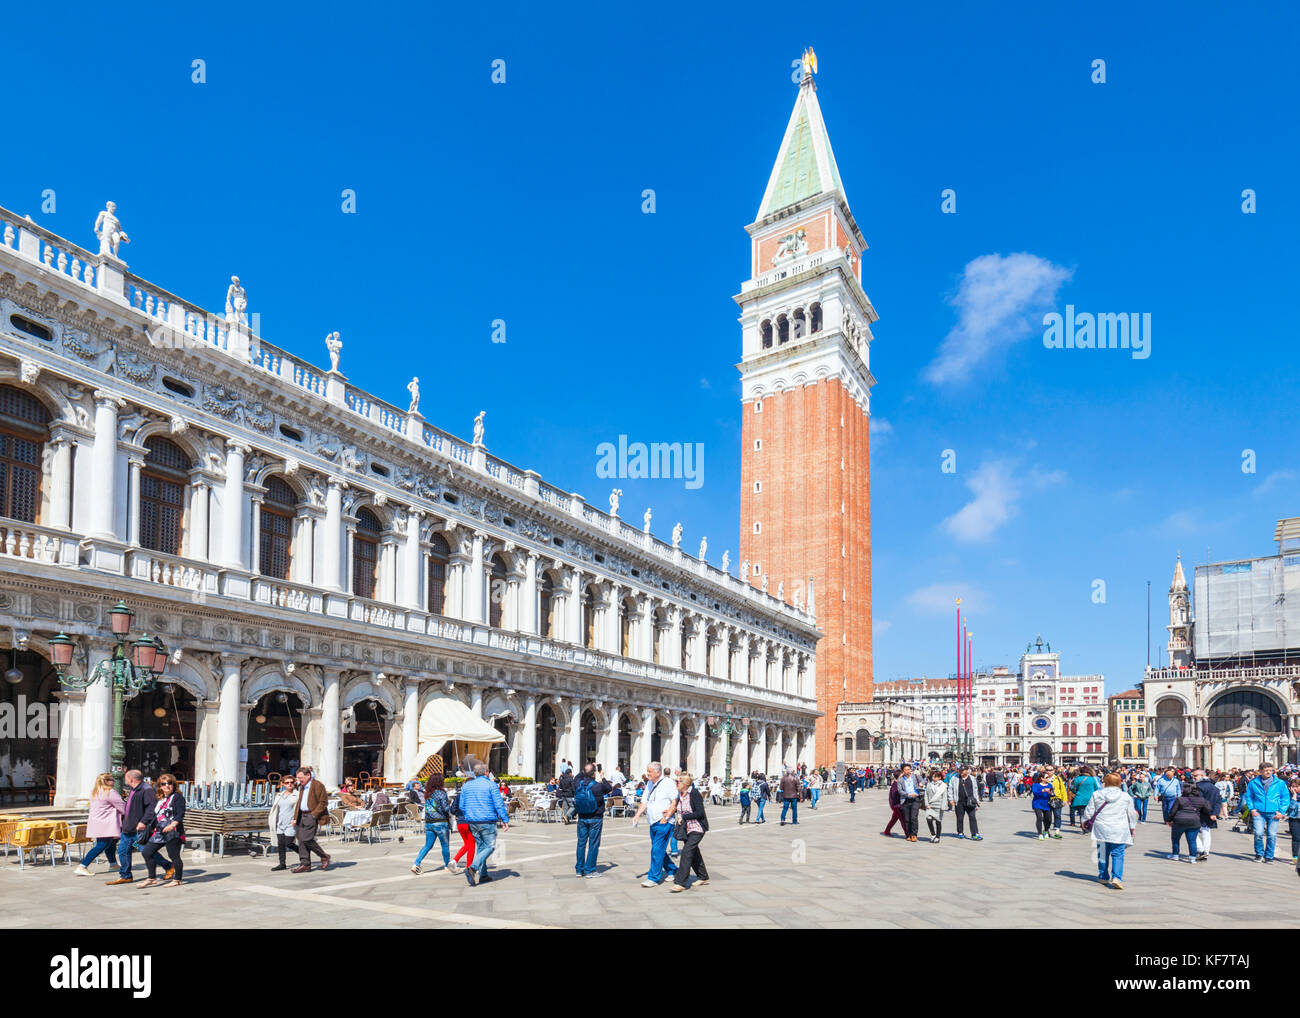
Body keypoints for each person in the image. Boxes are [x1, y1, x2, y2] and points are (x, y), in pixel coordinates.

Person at [458, 762, 510, 885]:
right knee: (490, 846)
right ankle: (473, 867)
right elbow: (498, 803)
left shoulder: (466, 786)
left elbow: (462, 805)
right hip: (487, 820)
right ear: (486, 772)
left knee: (481, 847)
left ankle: (484, 874)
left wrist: (469, 815)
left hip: (472, 821)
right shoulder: (491, 785)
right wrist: (504, 819)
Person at [1082, 772, 1137, 889]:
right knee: (1118, 853)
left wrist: (1084, 820)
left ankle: (1103, 876)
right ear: (1119, 782)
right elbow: (1131, 814)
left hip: (1101, 827)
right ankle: (1117, 877)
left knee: (1102, 852)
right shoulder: (1125, 796)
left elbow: (1089, 810)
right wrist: (1132, 827)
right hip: (1119, 827)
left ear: (1105, 782)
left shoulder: (1097, 794)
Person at [631, 761, 679, 887]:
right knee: (660, 850)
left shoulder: (668, 783)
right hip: (653, 822)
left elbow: (675, 801)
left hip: (664, 822)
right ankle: (672, 870)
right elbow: (645, 802)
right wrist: (637, 815)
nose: (647, 774)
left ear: (658, 772)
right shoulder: (649, 784)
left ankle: (653, 878)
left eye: (650, 772)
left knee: (656, 850)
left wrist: (667, 816)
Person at [106, 770, 155, 885]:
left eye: (126, 778)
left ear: (131, 780)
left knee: (146, 851)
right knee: (123, 851)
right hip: (129, 828)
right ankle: (125, 875)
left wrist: (143, 821)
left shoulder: (146, 790)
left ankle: (168, 866)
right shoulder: (134, 789)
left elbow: (151, 808)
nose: (125, 780)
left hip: (138, 829)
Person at [663, 771, 709, 892]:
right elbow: (679, 809)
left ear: (684, 784)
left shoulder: (694, 794)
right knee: (694, 853)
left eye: (678, 781)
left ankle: (680, 882)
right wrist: (668, 812)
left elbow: (700, 813)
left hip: (697, 827)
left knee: (687, 852)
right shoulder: (680, 795)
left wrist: (685, 817)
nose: (676, 783)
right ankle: (703, 876)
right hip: (687, 829)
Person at [137, 774, 186, 888]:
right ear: (160, 786)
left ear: (174, 785)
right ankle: (151, 878)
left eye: (170, 783)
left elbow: (180, 813)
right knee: (147, 852)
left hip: (173, 831)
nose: (167, 786)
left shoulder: (177, 797)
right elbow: (157, 815)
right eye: (164, 784)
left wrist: (172, 825)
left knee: (173, 856)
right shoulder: (160, 798)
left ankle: (178, 879)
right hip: (159, 831)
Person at [1241, 762, 1292, 863]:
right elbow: (1249, 797)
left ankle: (1269, 856)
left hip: (1274, 812)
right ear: (1260, 771)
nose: (1268, 772)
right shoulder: (1253, 783)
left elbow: (1285, 798)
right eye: (1266, 771)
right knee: (1258, 833)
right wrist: (1252, 809)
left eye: (1270, 770)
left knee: (1271, 834)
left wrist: (1281, 811)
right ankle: (1259, 854)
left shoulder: (1280, 783)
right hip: (1259, 811)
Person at [75, 773, 123, 876]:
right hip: (106, 823)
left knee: (111, 843)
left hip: (98, 822)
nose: (113, 781)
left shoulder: (95, 792)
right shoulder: (110, 792)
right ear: (106, 781)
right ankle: (83, 866)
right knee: (102, 845)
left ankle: (113, 864)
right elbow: (122, 806)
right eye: (111, 779)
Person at [571, 762, 612, 879]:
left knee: (581, 843)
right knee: (593, 844)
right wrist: (602, 775)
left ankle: (579, 869)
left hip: (582, 817)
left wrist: (586, 769)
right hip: (595, 817)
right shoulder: (597, 786)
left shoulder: (578, 784)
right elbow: (609, 788)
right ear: (594, 773)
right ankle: (589, 870)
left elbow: (577, 777)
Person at [291, 766, 331, 873]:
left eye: (301, 777)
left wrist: (314, 814)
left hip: (311, 815)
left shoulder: (317, 785)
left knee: (307, 839)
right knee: (301, 839)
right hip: (301, 815)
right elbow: (299, 802)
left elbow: (323, 802)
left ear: (308, 775)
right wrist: (295, 818)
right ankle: (305, 864)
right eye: (297, 778)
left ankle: (324, 856)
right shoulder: (302, 786)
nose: (299, 780)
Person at [411, 774, 453, 874]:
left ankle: (416, 864)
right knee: (445, 845)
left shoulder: (427, 793)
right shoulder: (441, 793)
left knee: (427, 845)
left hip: (429, 823)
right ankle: (447, 866)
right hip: (440, 822)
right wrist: (452, 807)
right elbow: (445, 808)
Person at [1167, 780, 1212, 863]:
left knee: (1176, 839)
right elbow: (1208, 809)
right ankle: (1192, 858)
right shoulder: (1201, 800)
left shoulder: (1180, 799)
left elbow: (1172, 811)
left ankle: (1175, 855)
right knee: (1192, 841)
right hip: (1194, 822)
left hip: (1179, 821)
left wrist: (1169, 820)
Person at [267, 774, 299, 872]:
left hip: (291, 823)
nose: (289, 784)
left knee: (288, 843)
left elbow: (300, 809)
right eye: (287, 782)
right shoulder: (279, 795)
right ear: (283, 784)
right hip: (280, 823)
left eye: (291, 782)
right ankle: (282, 863)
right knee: (280, 844)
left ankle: (303, 854)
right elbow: (276, 808)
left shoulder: (297, 795)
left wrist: (296, 819)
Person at [1192, 769, 1221, 862]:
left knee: (1192, 831)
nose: (1193, 777)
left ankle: (1201, 850)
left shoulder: (1198, 786)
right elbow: (1218, 802)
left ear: (1201, 776)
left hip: (1199, 812)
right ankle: (1206, 851)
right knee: (1206, 831)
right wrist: (1214, 813)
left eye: (1195, 776)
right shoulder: (1214, 787)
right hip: (1210, 813)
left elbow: (1198, 801)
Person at [952, 765, 982, 841]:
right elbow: (950, 789)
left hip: (970, 801)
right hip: (959, 801)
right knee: (959, 817)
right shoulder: (954, 778)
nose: (961, 772)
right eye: (960, 771)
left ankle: (975, 834)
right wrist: (951, 799)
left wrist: (977, 800)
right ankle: (960, 832)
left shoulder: (972, 778)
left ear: (967, 770)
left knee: (972, 817)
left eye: (962, 771)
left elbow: (975, 790)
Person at [895, 763, 921, 841]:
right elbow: (900, 791)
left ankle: (914, 834)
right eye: (905, 770)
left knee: (914, 818)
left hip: (915, 799)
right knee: (907, 819)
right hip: (905, 800)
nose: (907, 771)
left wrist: (921, 784)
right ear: (903, 771)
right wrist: (909, 795)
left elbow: (924, 781)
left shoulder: (915, 776)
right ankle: (908, 834)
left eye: (909, 769)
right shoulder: (900, 780)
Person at [923, 769, 947, 843]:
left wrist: (943, 807)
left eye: (935, 777)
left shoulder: (943, 786)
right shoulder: (929, 784)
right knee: (928, 819)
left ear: (939, 777)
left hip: (938, 806)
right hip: (930, 805)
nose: (933, 778)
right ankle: (933, 834)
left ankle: (937, 836)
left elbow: (944, 797)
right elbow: (926, 795)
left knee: (938, 821)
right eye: (933, 776)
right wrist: (926, 804)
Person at [1030, 771, 1055, 841]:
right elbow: (1035, 793)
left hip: (1047, 804)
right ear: (1042, 778)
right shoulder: (1036, 785)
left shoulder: (1050, 785)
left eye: (1048, 777)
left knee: (1049, 819)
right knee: (1039, 818)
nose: (1048, 779)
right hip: (1037, 803)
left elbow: (1053, 794)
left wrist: (1050, 792)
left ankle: (1046, 830)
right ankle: (1040, 833)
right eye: (1046, 777)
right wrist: (1043, 790)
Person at [883, 772, 907, 837]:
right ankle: (908, 834)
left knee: (894, 819)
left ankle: (887, 831)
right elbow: (895, 795)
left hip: (896, 805)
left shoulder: (897, 783)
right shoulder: (896, 784)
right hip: (897, 805)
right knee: (903, 820)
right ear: (898, 777)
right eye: (902, 776)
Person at [1046, 766, 1067, 838]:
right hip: (1046, 799)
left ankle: (1057, 831)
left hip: (1057, 799)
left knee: (1057, 815)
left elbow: (1063, 790)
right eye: (1047, 770)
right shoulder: (1044, 778)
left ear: (1053, 771)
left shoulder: (1058, 778)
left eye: (1050, 770)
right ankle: (1046, 830)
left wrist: (1064, 800)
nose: (1048, 771)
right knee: (1047, 817)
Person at [1284, 779, 1300, 865]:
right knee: (1296, 838)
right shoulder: (1289, 796)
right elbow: (1289, 810)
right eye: (1293, 787)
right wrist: (1294, 797)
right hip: (1294, 819)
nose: (1294, 789)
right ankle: (1295, 857)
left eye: (1296, 787)